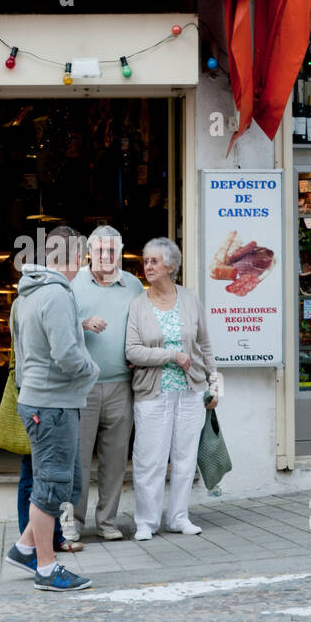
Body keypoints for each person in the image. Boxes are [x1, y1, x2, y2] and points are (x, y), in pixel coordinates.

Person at [3, 226, 99, 591]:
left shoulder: (28, 293)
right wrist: (93, 371)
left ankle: (25, 547)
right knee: (51, 486)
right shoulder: (57, 294)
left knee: (56, 481)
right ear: (75, 257)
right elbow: (67, 354)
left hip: (40, 400)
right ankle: (46, 568)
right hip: (53, 404)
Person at [125, 237, 219, 539]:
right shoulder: (138, 305)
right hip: (153, 393)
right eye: (146, 260)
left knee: (185, 458)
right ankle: (146, 522)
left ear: (171, 266)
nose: (148, 266)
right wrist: (171, 356)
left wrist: (214, 384)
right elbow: (133, 351)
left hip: (191, 391)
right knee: (149, 459)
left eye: (154, 261)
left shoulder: (190, 299)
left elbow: (204, 344)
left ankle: (179, 517)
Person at [70, 225, 144, 541]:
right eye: (100, 250)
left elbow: (146, 323)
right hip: (82, 386)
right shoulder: (73, 284)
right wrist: (82, 323)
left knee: (115, 460)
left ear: (120, 252)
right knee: (79, 459)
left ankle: (107, 522)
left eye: (112, 250)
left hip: (121, 385)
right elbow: (56, 326)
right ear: (90, 252)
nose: (106, 256)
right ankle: (73, 523)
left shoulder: (133, 285)